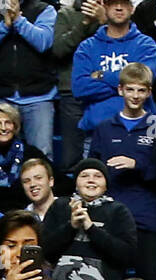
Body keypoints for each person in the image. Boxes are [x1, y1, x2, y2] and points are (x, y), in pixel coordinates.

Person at [90, 64, 156, 280]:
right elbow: (93, 168)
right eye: (130, 89)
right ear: (120, 90)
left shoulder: (155, 125)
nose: (135, 96)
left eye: (141, 90)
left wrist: (136, 164)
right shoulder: (105, 128)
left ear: (149, 92)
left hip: (146, 218)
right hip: (113, 218)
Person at [41, 159, 138, 280]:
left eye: (97, 176)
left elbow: (126, 255)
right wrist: (71, 226)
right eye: (84, 176)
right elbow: (45, 249)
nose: (91, 180)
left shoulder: (118, 211)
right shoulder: (60, 207)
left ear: (106, 183)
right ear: (76, 182)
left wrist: (91, 228)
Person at [0, 0, 57, 158]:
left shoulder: (44, 10)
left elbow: (44, 42)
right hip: (2, 98)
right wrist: (4, 26)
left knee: (42, 156)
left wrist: (18, 20)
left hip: (38, 97)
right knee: (2, 156)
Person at [72, 0, 156, 135]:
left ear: (132, 9)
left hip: (140, 130)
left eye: (124, 3)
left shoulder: (146, 44)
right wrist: (127, 85)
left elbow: (143, 80)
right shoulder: (87, 47)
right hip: (97, 131)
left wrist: (102, 75)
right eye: (113, 3)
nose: (119, 8)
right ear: (105, 7)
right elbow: (80, 88)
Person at [51, 0, 102, 174]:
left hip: (104, 94)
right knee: (71, 158)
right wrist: (85, 23)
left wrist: (103, 20)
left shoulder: (112, 15)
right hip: (72, 93)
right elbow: (59, 49)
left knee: (105, 152)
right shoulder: (66, 15)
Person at [0, 102, 46, 216]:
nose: (3, 128)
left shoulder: (31, 153)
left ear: (15, 126)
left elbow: (59, 182)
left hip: (26, 217)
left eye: (8, 123)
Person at [20, 155, 55, 222]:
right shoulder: (22, 220)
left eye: (38, 178)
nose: (32, 184)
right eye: (26, 181)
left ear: (51, 181)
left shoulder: (69, 209)